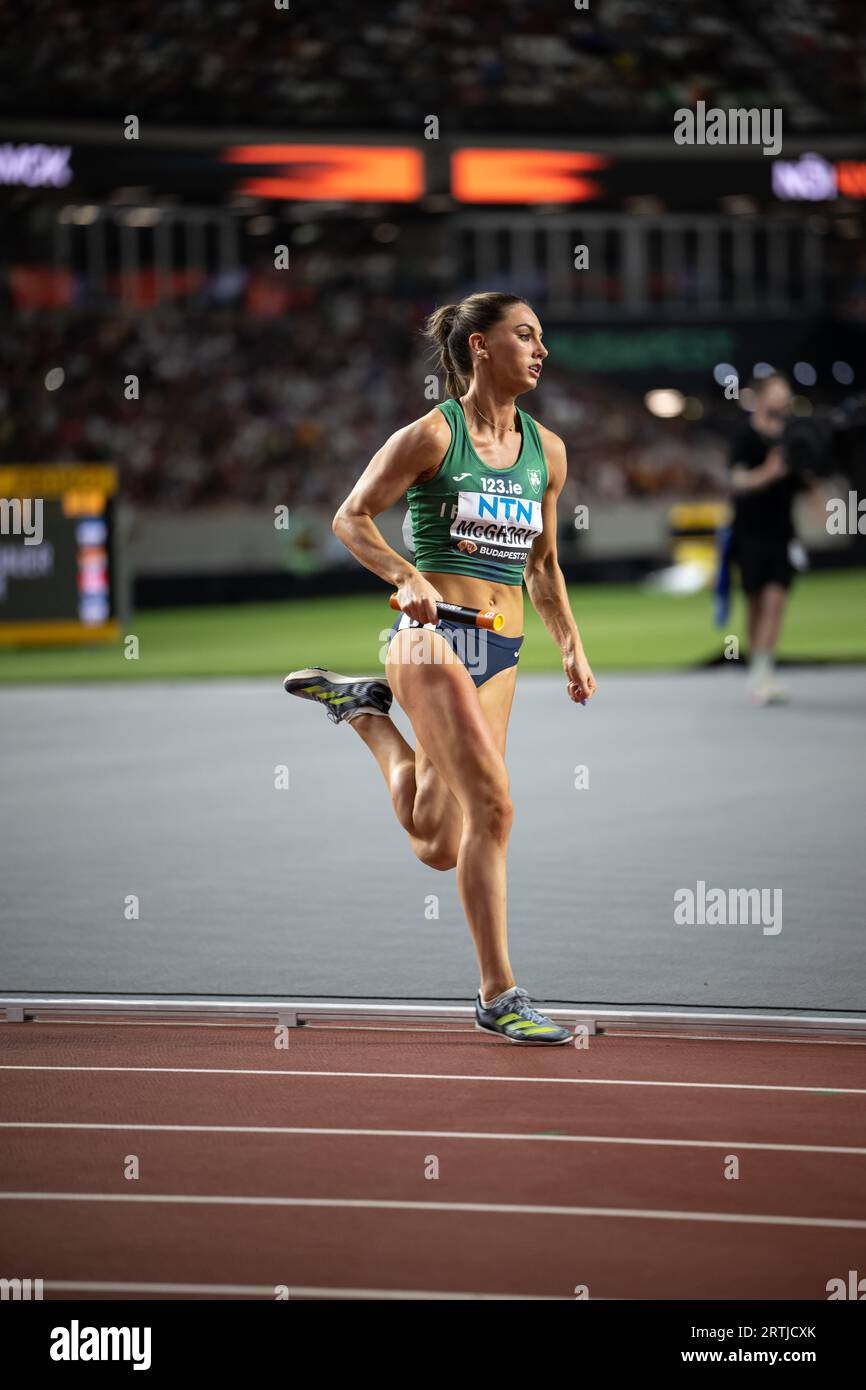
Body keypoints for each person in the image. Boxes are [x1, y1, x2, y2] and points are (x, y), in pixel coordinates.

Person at [284, 291, 597, 1044]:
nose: (541, 349)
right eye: (526, 335)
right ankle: (499, 995)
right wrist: (406, 575)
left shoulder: (547, 451)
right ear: (481, 347)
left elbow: (544, 564)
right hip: (427, 643)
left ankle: (364, 713)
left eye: (543, 337)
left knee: (439, 839)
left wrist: (570, 642)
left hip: (501, 648)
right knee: (495, 806)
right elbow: (350, 517)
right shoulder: (430, 436)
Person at [728, 372, 809, 705]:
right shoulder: (745, 436)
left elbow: (806, 481)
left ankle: (764, 671)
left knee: (775, 601)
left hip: (782, 534)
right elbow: (737, 480)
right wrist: (769, 472)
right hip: (749, 533)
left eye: (786, 393)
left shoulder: (792, 437)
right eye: (778, 393)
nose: (784, 399)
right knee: (755, 603)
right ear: (761, 398)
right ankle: (757, 672)